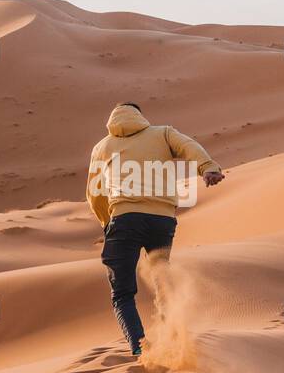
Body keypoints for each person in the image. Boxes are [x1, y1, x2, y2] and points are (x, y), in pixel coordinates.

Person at [85, 102, 224, 356]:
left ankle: (139, 348)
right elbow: (189, 146)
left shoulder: (102, 147)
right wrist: (208, 168)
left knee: (122, 293)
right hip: (162, 220)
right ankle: (170, 335)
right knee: (161, 276)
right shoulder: (162, 133)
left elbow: (95, 193)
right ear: (140, 116)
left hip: (124, 220)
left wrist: (107, 222)